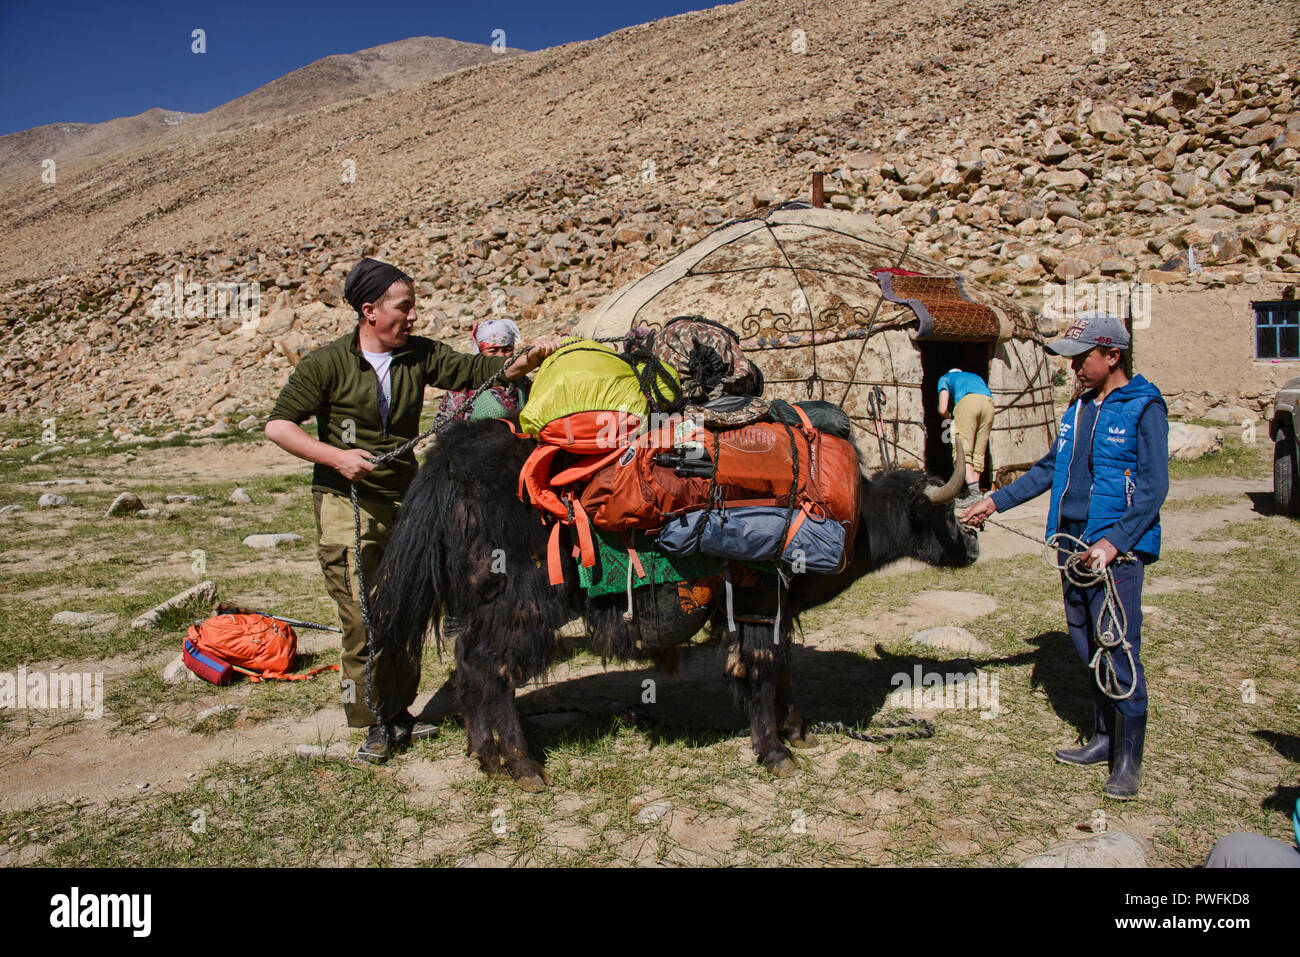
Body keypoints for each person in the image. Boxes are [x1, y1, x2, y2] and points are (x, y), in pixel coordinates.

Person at [264, 258, 559, 763]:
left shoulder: (419, 356)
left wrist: (526, 362)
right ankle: (372, 721)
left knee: (405, 604)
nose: (414, 316)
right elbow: (279, 425)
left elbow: (476, 371)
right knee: (361, 619)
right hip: (346, 503)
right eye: (405, 307)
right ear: (370, 310)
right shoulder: (326, 364)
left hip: (405, 498)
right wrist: (335, 456)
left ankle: (401, 712)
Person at [961, 314, 1168, 800]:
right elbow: (1050, 468)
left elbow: (1154, 487)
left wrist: (1115, 541)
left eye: (1081, 358)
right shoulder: (1078, 408)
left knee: (1117, 646)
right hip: (1071, 543)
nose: (1073, 366)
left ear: (1112, 356)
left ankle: (1127, 761)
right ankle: (1102, 736)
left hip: (1113, 550)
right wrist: (994, 501)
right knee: (1086, 642)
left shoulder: (1144, 406)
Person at [434, 318, 531, 421]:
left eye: (507, 350)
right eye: (493, 351)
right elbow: (444, 427)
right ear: (480, 352)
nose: (501, 355)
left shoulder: (521, 382)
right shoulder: (464, 384)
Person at [936, 367, 994, 507]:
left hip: (968, 402)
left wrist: (949, 416)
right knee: (978, 452)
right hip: (988, 404)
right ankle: (976, 492)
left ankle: (974, 493)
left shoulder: (945, 378)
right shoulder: (975, 376)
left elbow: (943, 408)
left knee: (962, 449)